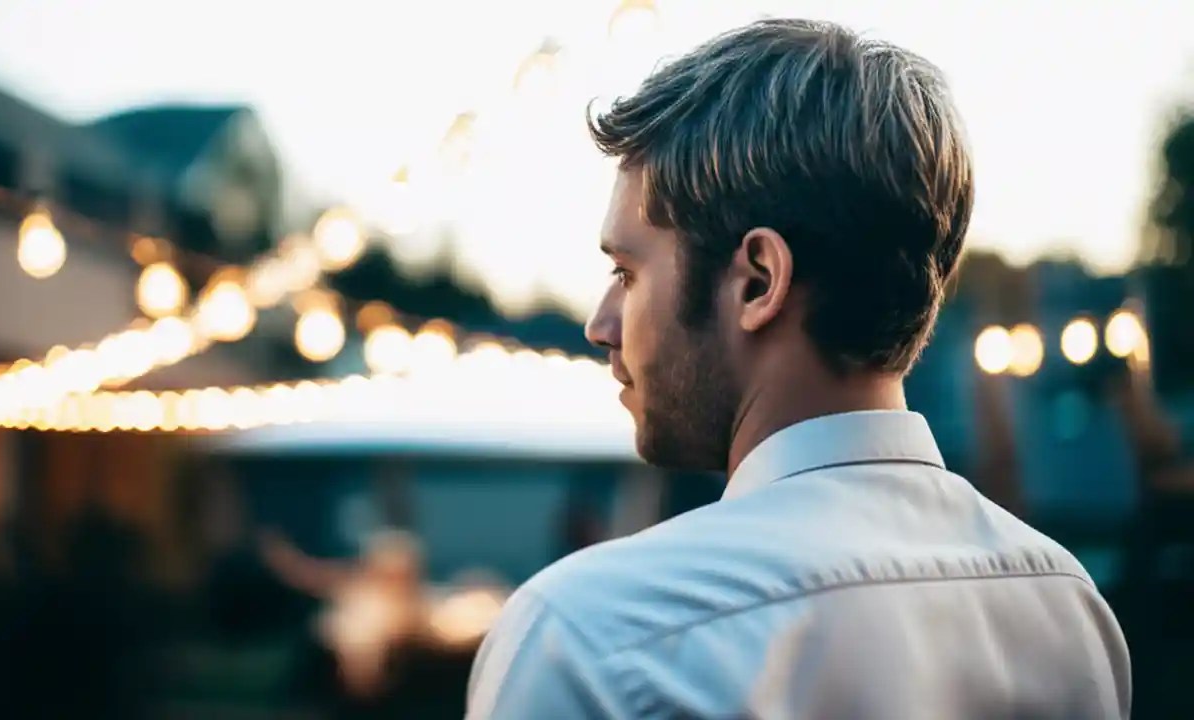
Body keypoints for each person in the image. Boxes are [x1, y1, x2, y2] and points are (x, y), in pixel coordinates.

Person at [466, 18, 1130, 720]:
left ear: (758, 281)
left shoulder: (593, 640)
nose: (600, 325)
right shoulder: (1067, 608)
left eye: (626, 273)